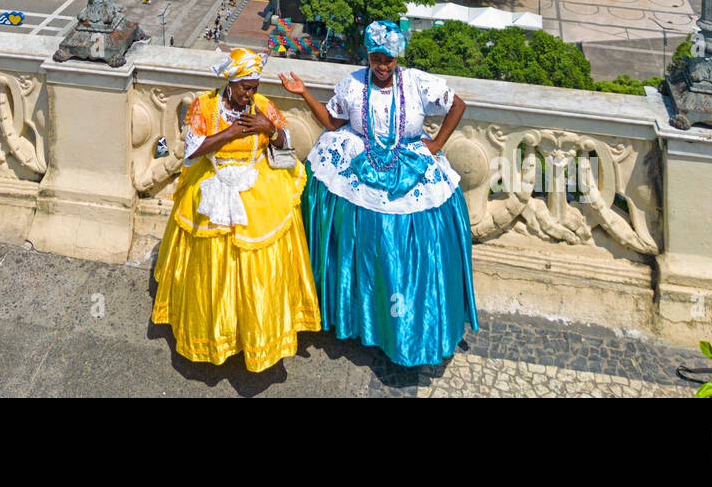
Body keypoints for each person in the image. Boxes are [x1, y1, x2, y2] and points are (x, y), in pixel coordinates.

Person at [280, 21, 479, 367]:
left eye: (388, 60)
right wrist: (304, 93)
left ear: (397, 57)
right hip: (359, 173)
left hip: (411, 170)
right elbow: (332, 122)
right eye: (376, 59)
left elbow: (457, 105)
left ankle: (403, 326)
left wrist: (436, 144)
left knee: (403, 253)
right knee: (362, 252)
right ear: (367, 57)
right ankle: (363, 319)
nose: (383, 67)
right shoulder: (353, 85)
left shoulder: (417, 82)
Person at [152, 48, 320, 371]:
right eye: (246, 87)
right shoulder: (206, 106)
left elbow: (286, 140)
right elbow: (192, 151)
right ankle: (218, 332)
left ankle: (253, 332)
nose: (250, 94)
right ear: (231, 82)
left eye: (255, 87)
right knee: (214, 264)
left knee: (254, 264)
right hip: (214, 183)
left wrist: (267, 129)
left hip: (256, 187)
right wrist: (229, 133)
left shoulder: (262, 107)